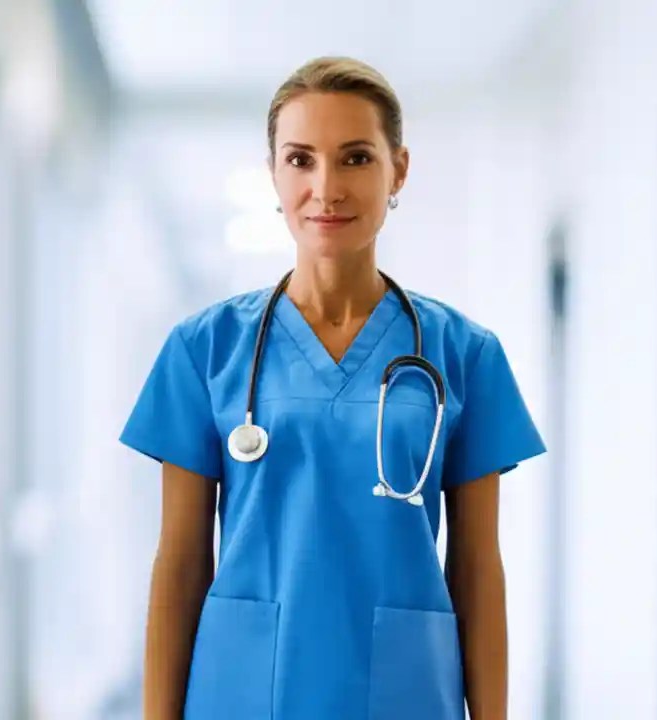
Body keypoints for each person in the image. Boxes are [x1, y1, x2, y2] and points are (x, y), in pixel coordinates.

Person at [120, 55, 546, 720]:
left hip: (403, 695)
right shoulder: (205, 350)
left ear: (398, 169)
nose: (326, 188)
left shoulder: (465, 355)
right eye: (300, 160)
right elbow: (180, 563)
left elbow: (476, 569)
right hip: (242, 695)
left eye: (355, 158)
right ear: (274, 173)